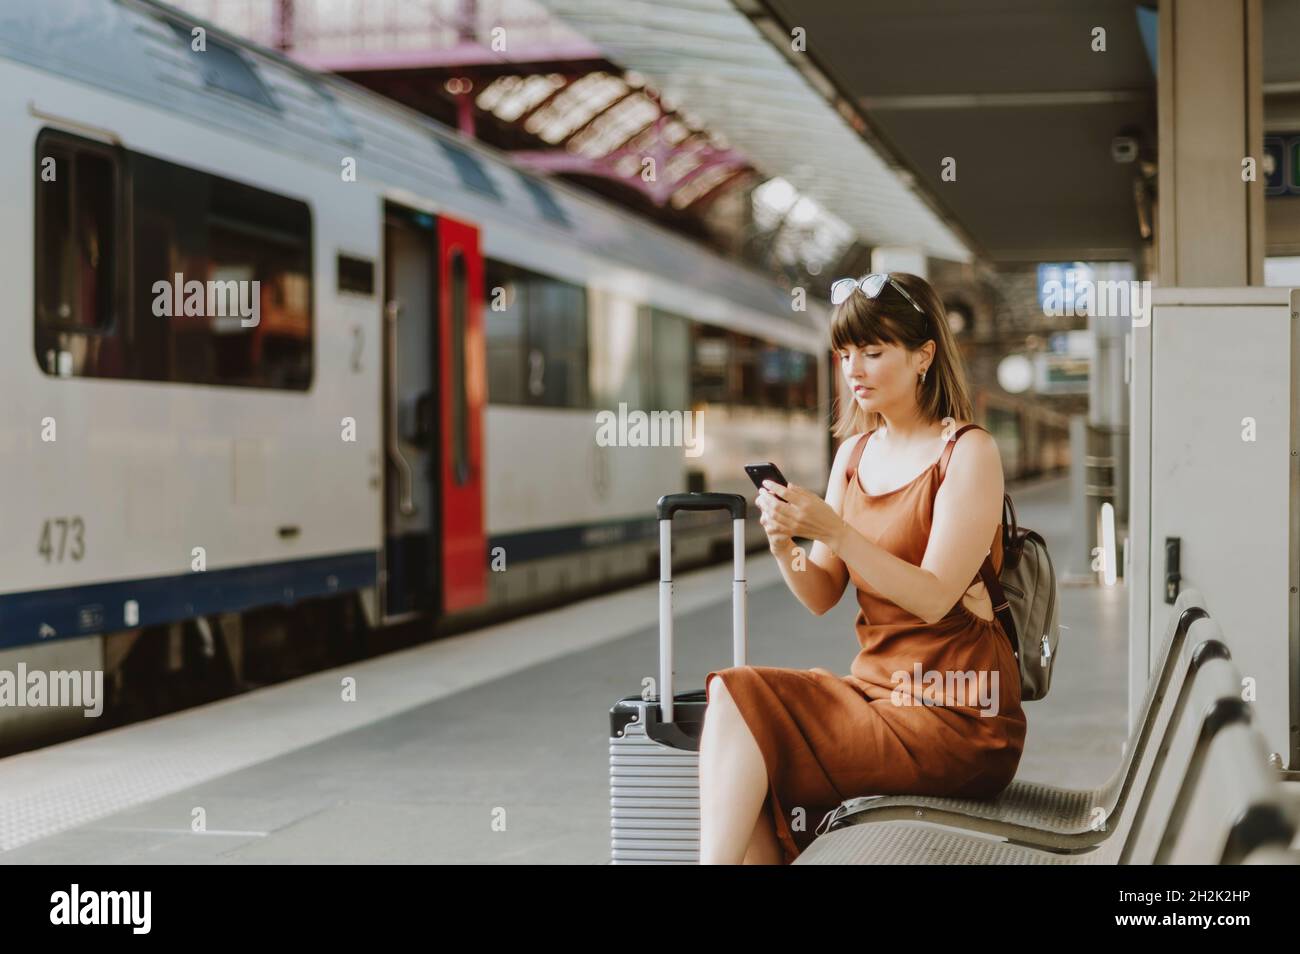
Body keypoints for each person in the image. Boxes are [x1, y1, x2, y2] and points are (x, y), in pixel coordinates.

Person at [698, 272, 1026, 864]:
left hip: (957, 715)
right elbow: (823, 592)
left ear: (924, 356)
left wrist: (838, 531)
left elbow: (932, 597)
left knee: (748, 721)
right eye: (846, 353)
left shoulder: (968, 451)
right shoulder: (853, 454)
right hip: (875, 695)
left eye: (874, 352)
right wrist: (784, 544)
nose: (854, 369)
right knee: (735, 700)